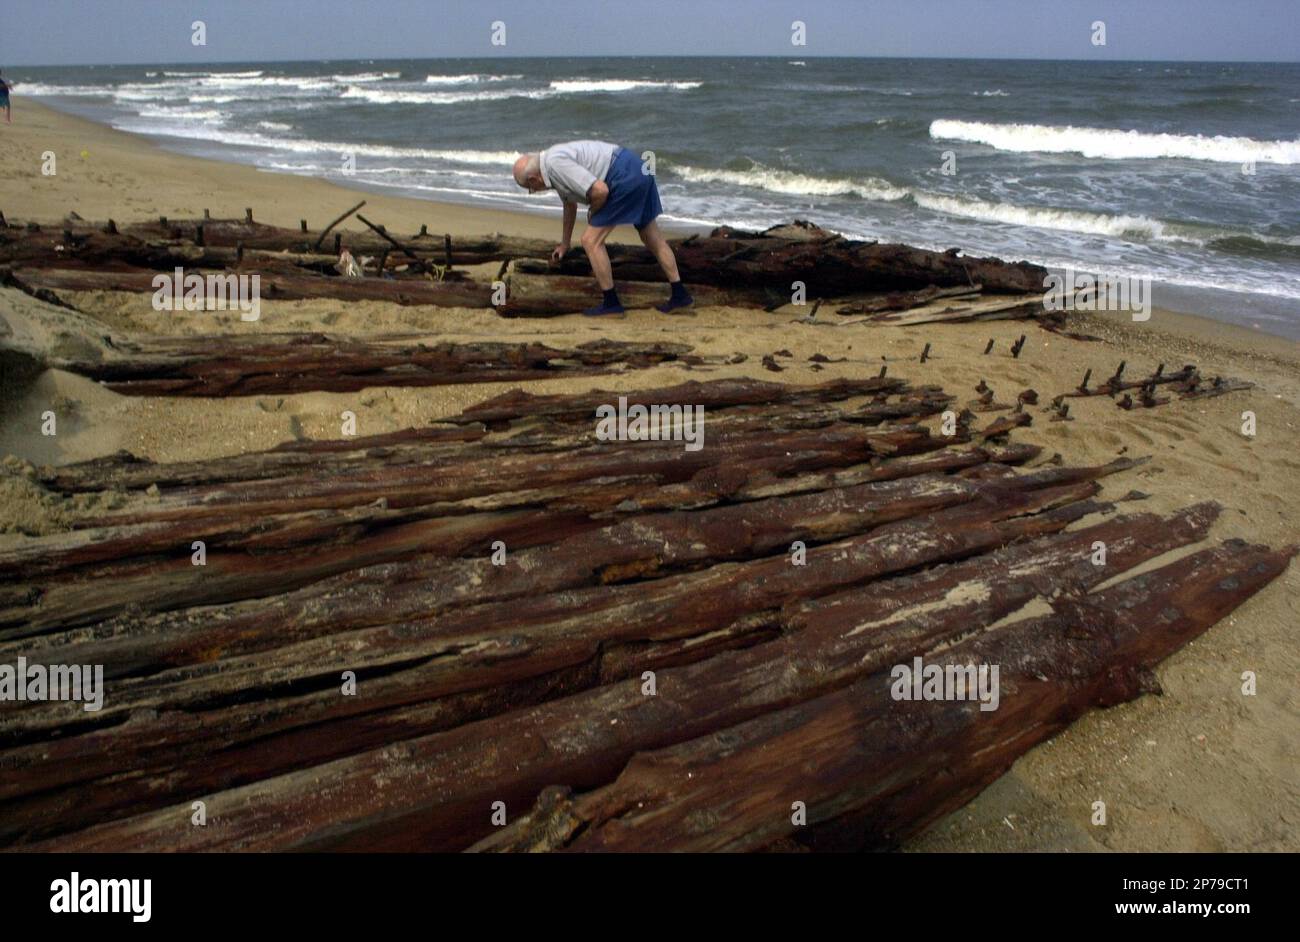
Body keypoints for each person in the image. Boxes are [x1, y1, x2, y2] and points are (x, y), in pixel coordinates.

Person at [513, 141, 693, 316]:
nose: (534, 191)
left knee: (590, 241)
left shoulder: (556, 165)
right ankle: (680, 295)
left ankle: (611, 303)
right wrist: (564, 244)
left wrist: (594, 211)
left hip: (623, 175)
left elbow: (600, 191)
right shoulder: (551, 164)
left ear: (533, 179)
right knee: (652, 237)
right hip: (638, 169)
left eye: (530, 188)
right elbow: (570, 205)